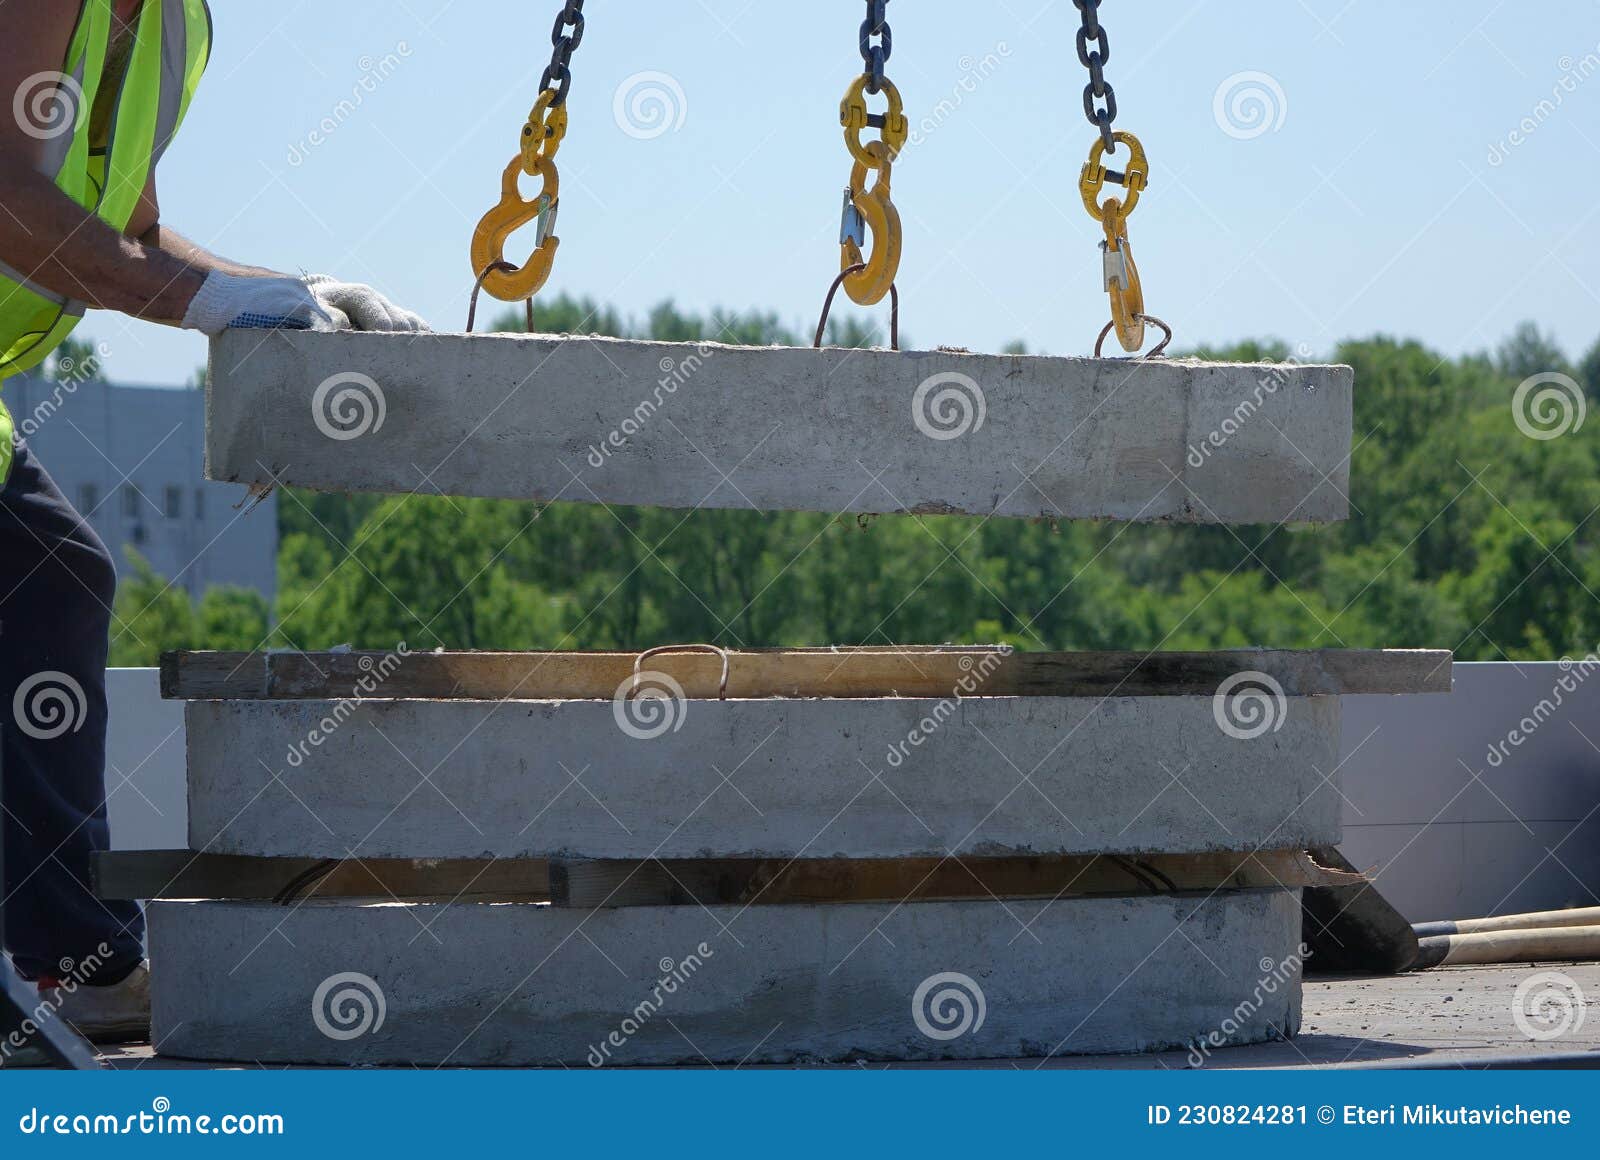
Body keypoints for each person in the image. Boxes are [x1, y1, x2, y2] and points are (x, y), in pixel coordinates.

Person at [0, 0, 426, 1055]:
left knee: (54, 579)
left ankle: (77, 959)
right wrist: (205, 305)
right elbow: (5, 192)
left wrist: (278, 291)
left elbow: (130, 235)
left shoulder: (171, 28)